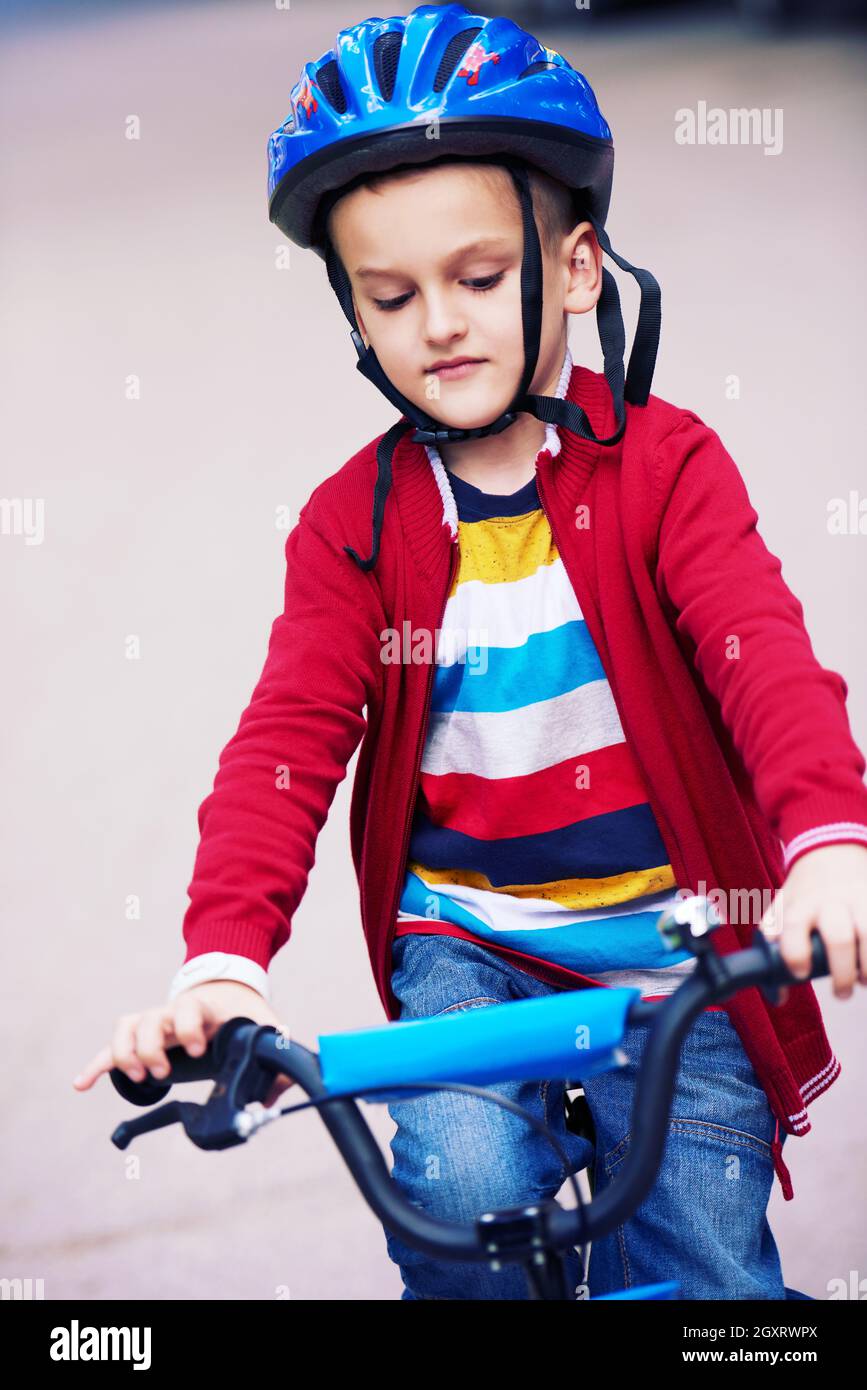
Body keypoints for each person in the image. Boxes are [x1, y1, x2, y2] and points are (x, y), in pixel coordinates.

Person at [74, 4, 867, 1299]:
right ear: (355, 314)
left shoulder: (664, 469)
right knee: (459, 1197)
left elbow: (763, 655)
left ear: (575, 267)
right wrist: (223, 958)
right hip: (471, 951)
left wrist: (831, 843)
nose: (438, 321)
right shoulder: (356, 523)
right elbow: (284, 744)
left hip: (683, 942)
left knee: (711, 1273)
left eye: (480, 275)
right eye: (392, 294)